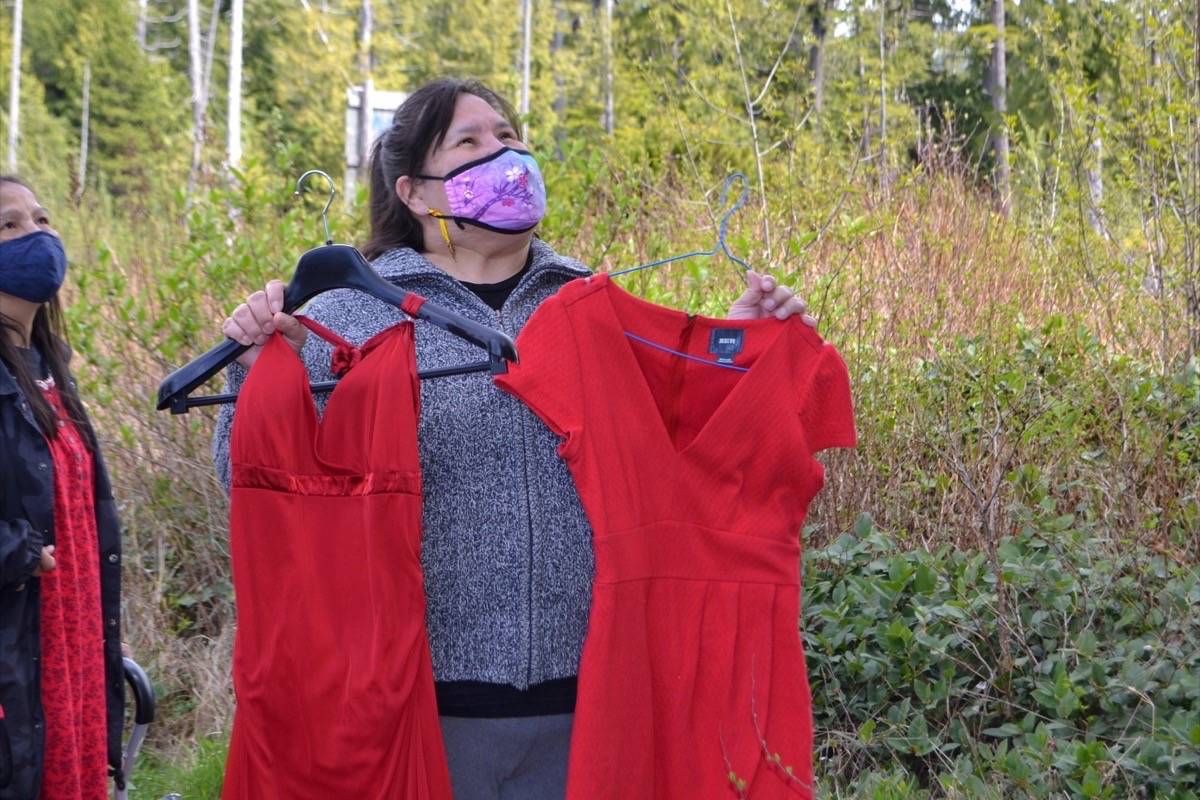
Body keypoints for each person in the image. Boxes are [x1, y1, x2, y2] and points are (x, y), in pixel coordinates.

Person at [212, 77, 815, 799]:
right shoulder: (348, 315)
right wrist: (257, 376)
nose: (503, 153)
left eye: (507, 136)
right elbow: (251, 488)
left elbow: (685, 462)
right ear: (413, 191)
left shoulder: (591, 304)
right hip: (419, 702)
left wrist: (738, 340)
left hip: (590, 699)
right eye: (470, 142)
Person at [0, 175, 125, 800]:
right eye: (9, 226)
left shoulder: (48, 371)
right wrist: (20, 551)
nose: (37, 235)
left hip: (69, 633)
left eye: (42, 219)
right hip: (22, 633)